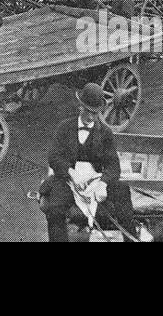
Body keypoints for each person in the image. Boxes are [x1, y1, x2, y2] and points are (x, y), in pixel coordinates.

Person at [38, 82, 146, 241]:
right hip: (68, 179)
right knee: (55, 208)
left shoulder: (105, 132)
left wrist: (102, 184)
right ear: (80, 107)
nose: (91, 117)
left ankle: (131, 239)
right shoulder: (65, 128)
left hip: (94, 179)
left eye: (95, 113)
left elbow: (113, 165)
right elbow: (54, 157)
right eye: (88, 111)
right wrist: (71, 173)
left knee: (122, 192)